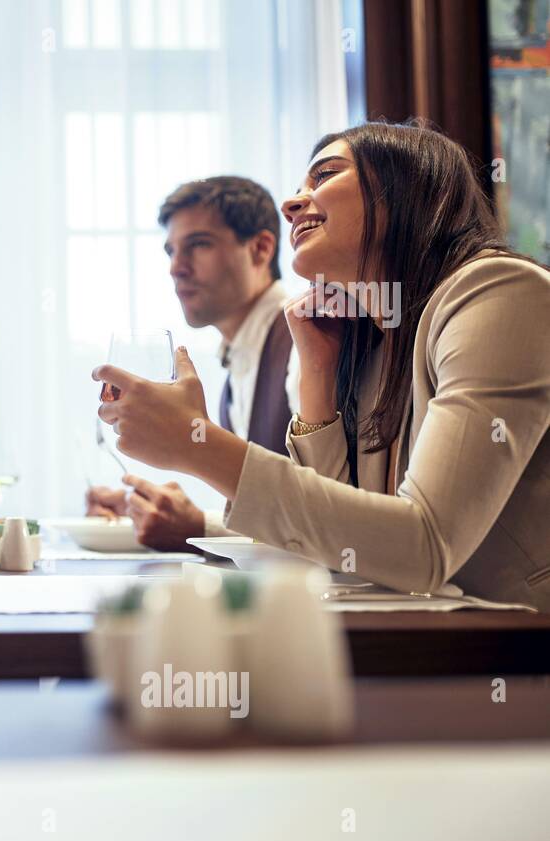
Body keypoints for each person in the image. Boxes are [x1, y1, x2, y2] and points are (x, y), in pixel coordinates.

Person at [93, 121, 550, 609]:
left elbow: (425, 546)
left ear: (408, 188)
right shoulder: (374, 344)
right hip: (431, 635)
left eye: (325, 175)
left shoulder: (500, 292)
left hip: (516, 641)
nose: (291, 204)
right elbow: (341, 546)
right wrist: (316, 371)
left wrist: (199, 447)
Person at [85, 176, 299, 550]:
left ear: (261, 249)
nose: (176, 267)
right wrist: (158, 512)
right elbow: (284, 518)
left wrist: (198, 528)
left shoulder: (305, 339)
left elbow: (325, 521)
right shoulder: (241, 358)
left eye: (199, 244)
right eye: (171, 251)